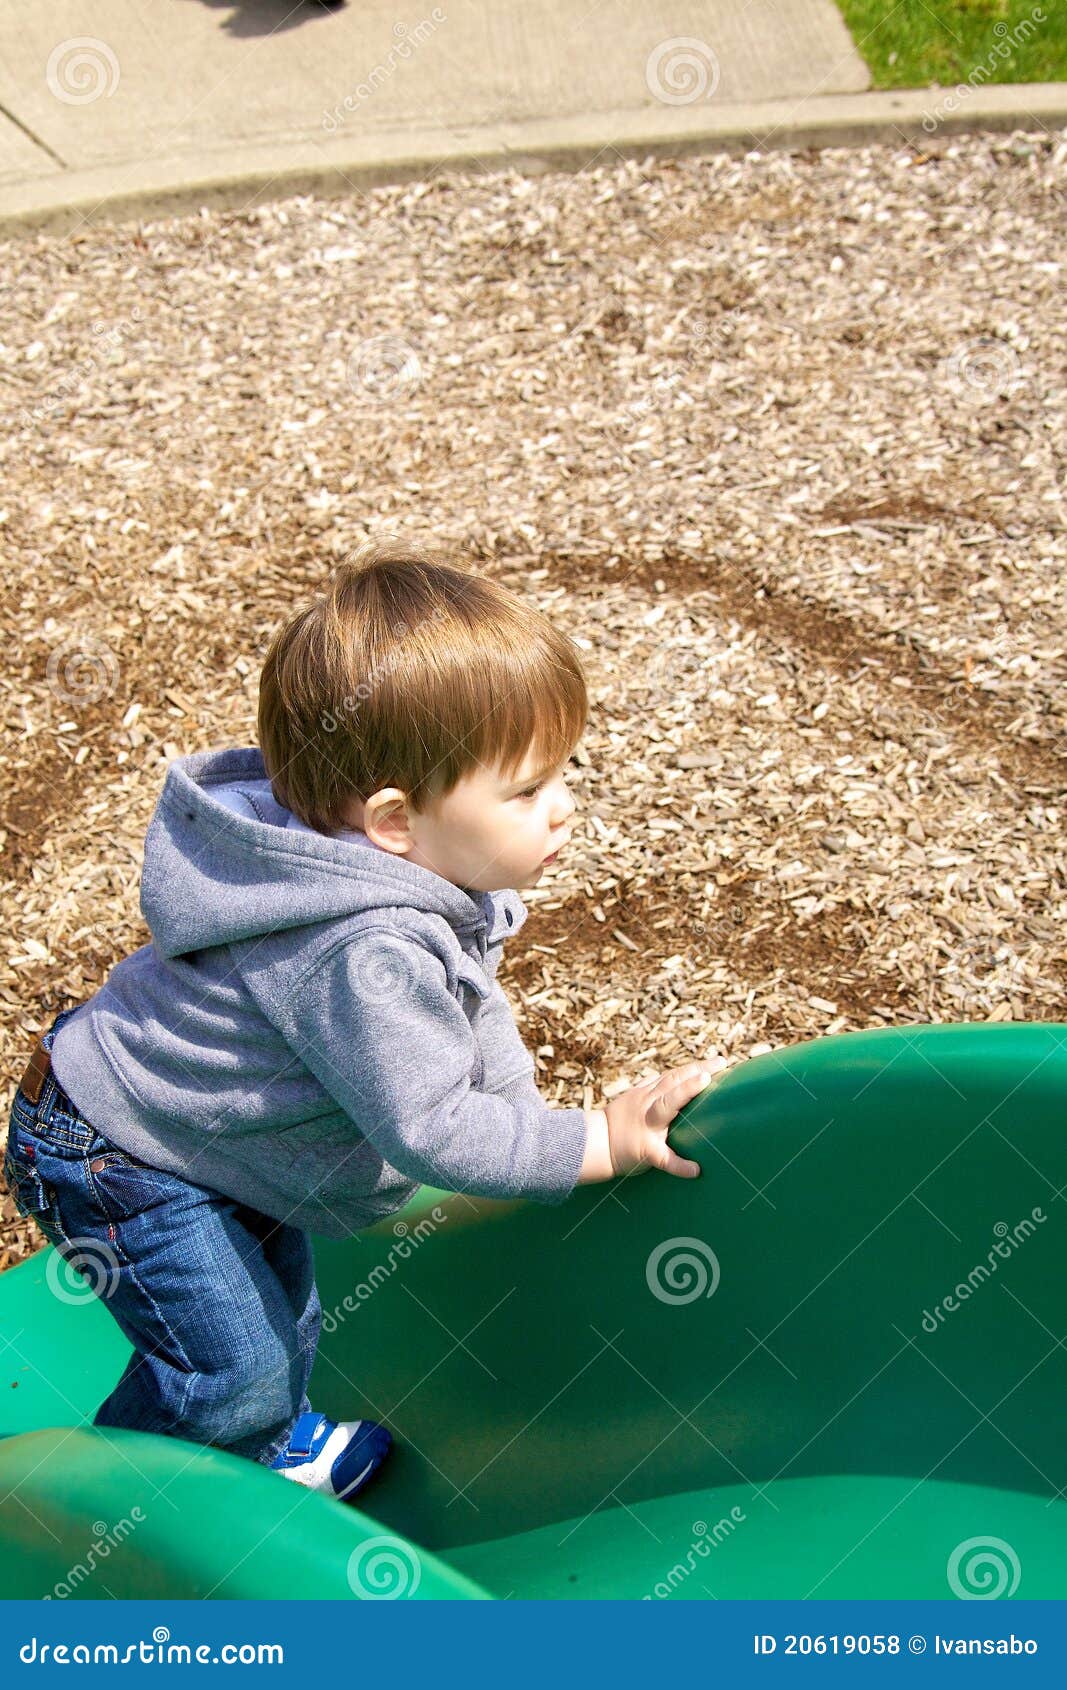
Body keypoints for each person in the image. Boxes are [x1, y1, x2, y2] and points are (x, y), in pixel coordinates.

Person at [4, 538, 711, 1505]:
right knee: (227, 1371)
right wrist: (597, 1142)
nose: (564, 810)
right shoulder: (360, 943)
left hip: (200, 1135)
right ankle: (88, 1523)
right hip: (118, 1154)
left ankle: (260, 1450)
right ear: (391, 821)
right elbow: (431, 1129)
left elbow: (471, 1012)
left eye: (563, 774)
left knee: (280, 1317)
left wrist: (530, 1121)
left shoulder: (423, 874)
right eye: (525, 791)